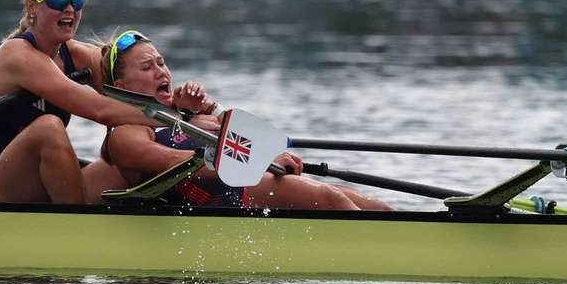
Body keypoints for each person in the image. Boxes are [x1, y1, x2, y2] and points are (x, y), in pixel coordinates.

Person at [98, 29, 393, 211]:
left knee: (374, 206)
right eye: (148, 67)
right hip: (229, 201)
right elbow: (174, 163)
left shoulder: (185, 114)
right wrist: (259, 161)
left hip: (248, 187)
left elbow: (244, 134)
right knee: (331, 198)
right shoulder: (126, 132)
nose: (161, 72)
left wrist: (207, 107)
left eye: (161, 62)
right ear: (122, 88)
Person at [0, 0, 158, 204]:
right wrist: (178, 118)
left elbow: (135, 91)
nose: (69, 9)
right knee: (49, 128)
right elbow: (101, 110)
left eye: (77, 1)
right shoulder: (16, 55)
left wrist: (194, 109)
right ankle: (78, 228)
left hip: (43, 187)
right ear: (31, 7)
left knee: (128, 149)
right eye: (58, 0)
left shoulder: (75, 55)